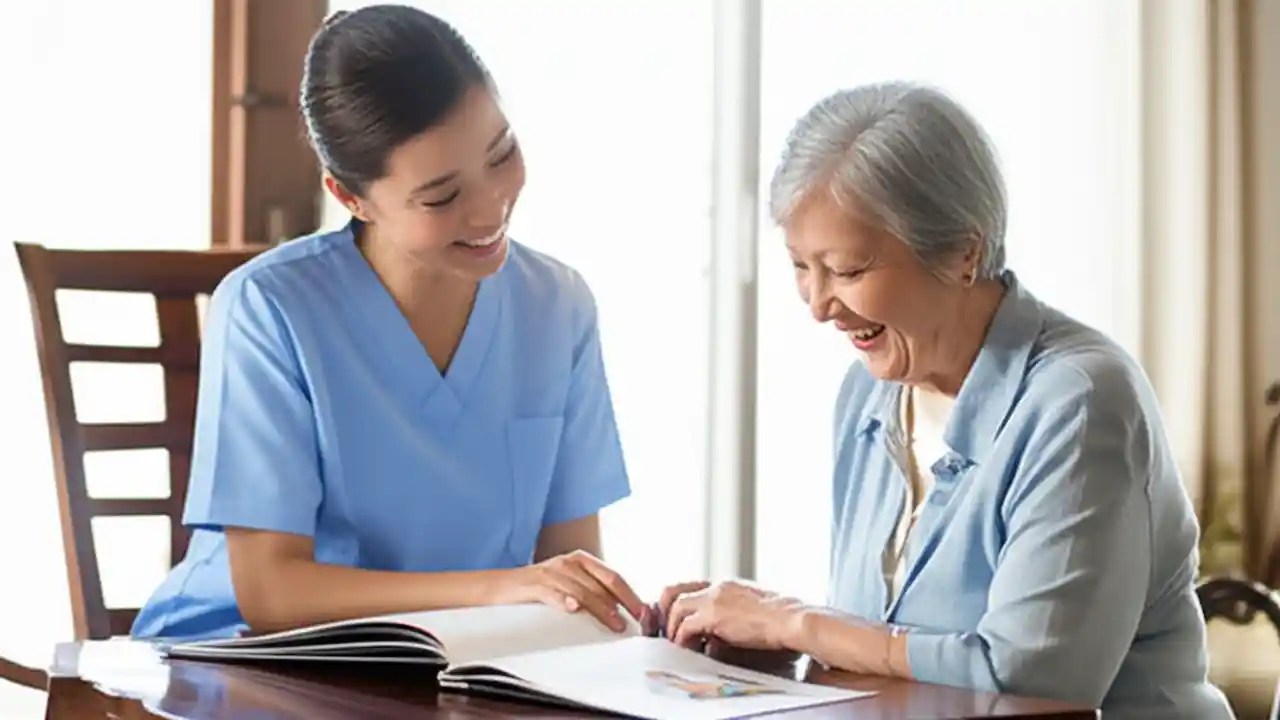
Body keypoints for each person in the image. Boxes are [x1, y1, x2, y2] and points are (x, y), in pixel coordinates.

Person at [656, 82, 1235, 719]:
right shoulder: (869, 392)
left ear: (965, 251)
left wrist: (795, 624)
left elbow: (1031, 682)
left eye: (847, 271)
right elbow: (882, 642)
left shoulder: (1080, 402)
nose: (820, 306)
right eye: (801, 266)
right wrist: (763, 643)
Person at [131, 5, 646, 640]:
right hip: (251, 661)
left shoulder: (558, 305)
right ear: (351, 198)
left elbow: (569, 574)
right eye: (441, 196)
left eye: (502, 152)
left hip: (461, 662)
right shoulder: (270, 308)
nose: (491, 208)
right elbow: (270, 591)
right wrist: (497, 590)